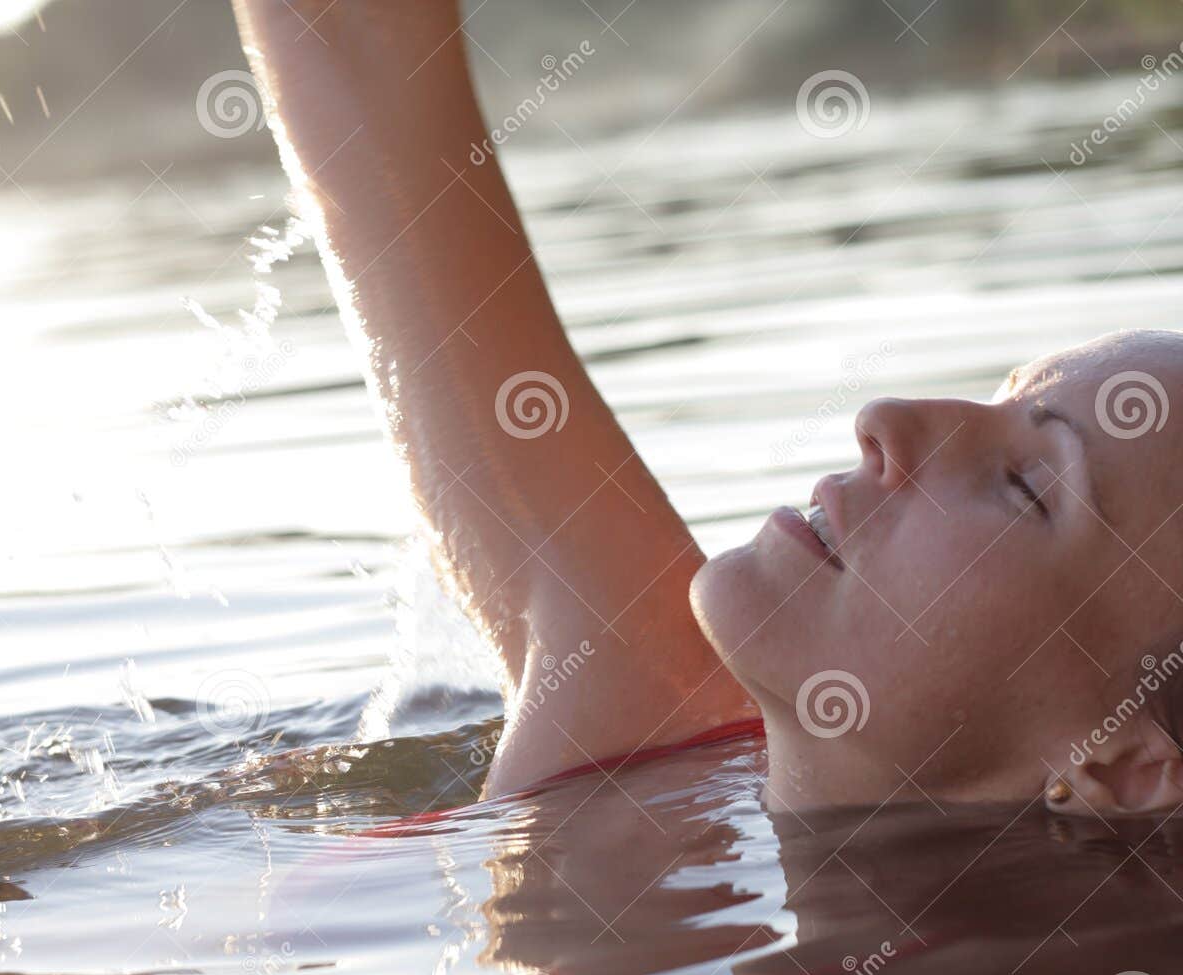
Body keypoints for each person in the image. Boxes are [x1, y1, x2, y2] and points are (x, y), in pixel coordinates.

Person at [231, 0, 1183, 817]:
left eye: (1025, 486)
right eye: (1004, 399)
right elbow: (345, 37)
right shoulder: (638, 705)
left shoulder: (616, 824)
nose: (886, 421)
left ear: (1122, 765)